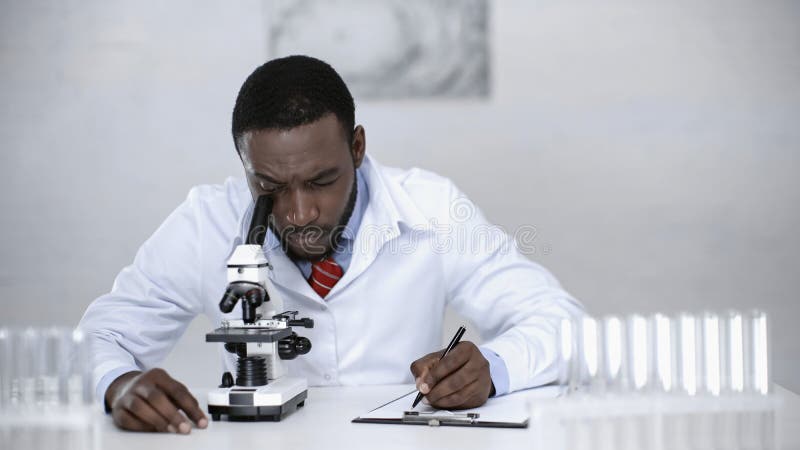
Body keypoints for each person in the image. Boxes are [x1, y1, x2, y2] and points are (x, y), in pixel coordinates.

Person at [79, 55, 584, 433]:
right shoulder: (204, 222)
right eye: (270, 186)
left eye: (321, 180)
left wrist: (493, 369)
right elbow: (101, 337)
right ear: (244, 165)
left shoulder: (432, 207)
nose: (299, 213)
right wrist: (118, 384)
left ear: (357, 147)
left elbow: (565, 326)